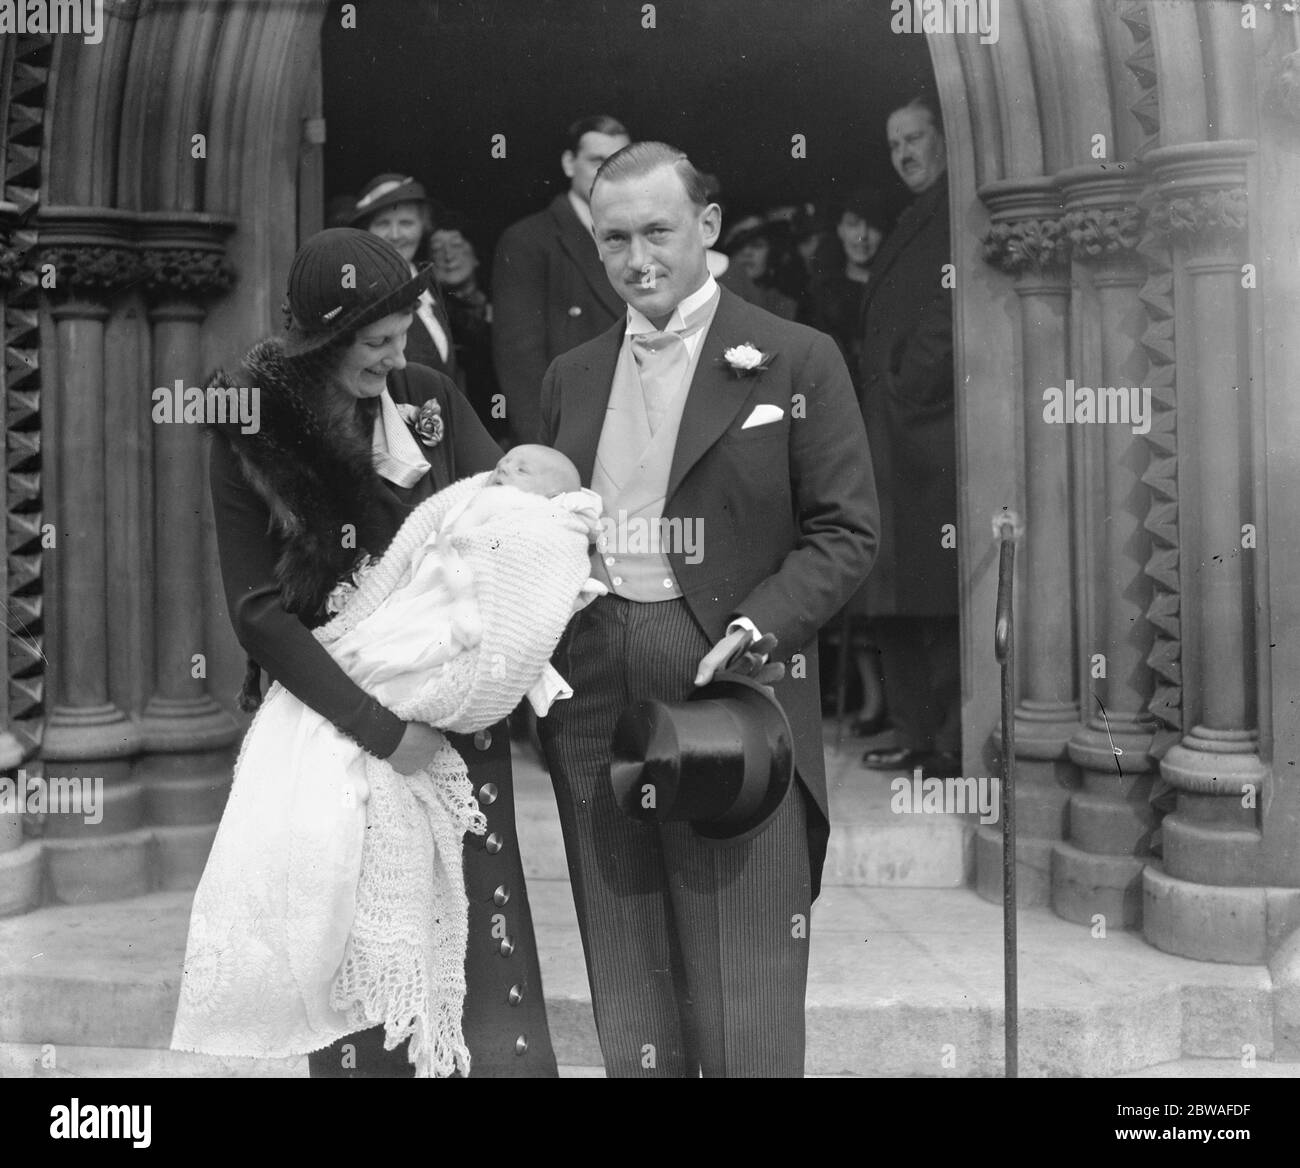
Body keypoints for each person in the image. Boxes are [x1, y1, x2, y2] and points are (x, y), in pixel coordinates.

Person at [538, 142, 879, 1077]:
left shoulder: (797, 359)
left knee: (745, 996)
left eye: (658, 230)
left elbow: (846, 532)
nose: (637, 256)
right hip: (598, 686)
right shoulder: (570, 375)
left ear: (708, 228)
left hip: (730, 681)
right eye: (615, 238)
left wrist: (752, 629)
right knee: (630, 975)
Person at [182, 228, 557, 1078]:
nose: (395, 358)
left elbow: (503, 521)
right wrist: (383, 730)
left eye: (401, 336)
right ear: (320, 344)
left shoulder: (426, 398)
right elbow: (260, 614)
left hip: (455, 724)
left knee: (480, 956)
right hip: (342, 727)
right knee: (367, 965)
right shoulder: (253, 427)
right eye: (374, 343)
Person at [856, 95, 960, 776]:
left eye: (915, 138)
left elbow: (950, 309)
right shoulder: (911, 218)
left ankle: (948, 744)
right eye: (895, 144)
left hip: (924, 434)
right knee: (893, 591)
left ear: (944, 137)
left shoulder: (954, 211)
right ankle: (916, 732)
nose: (905, 154)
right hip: (891, 436)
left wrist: (906, 387)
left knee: (933, 590)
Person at [491, 114, 631, 446]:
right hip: (569, 434)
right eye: (597, 160)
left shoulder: (635, 240)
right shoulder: (529, 240)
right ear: (569, 163)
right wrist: (546, 450)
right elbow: (520, 362)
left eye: (620, 161)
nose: (609, 172)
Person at [352, 173, 459, 383]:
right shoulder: (361, 293)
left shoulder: (428, 283)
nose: (395, 235)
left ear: (423, 226)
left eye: (406, 223)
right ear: (367, 231)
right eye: (383, 223)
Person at [429, 212, 504, 441]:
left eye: (456, 245)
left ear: (476, 255)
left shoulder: (501, 303)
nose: (448, 256)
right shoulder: (429, 312)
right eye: (437, 249)